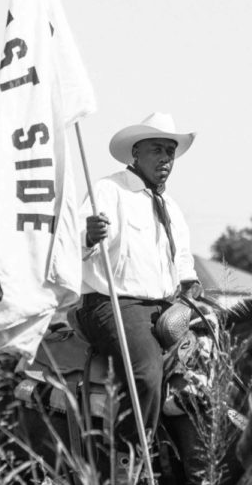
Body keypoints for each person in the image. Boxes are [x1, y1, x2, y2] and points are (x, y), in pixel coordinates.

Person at [73, 112, 204, 468]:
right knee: (145, 372)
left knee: (214, 362)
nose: (165, 158)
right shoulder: (107, 189)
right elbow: (68, 246)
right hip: (113, 304)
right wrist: (87, 235)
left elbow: (184, 266)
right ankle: (126, 460)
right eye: (157, 149)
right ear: (136, 153)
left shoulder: (172, 209)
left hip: (168, 309)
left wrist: (192, 288)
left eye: (170, 151)